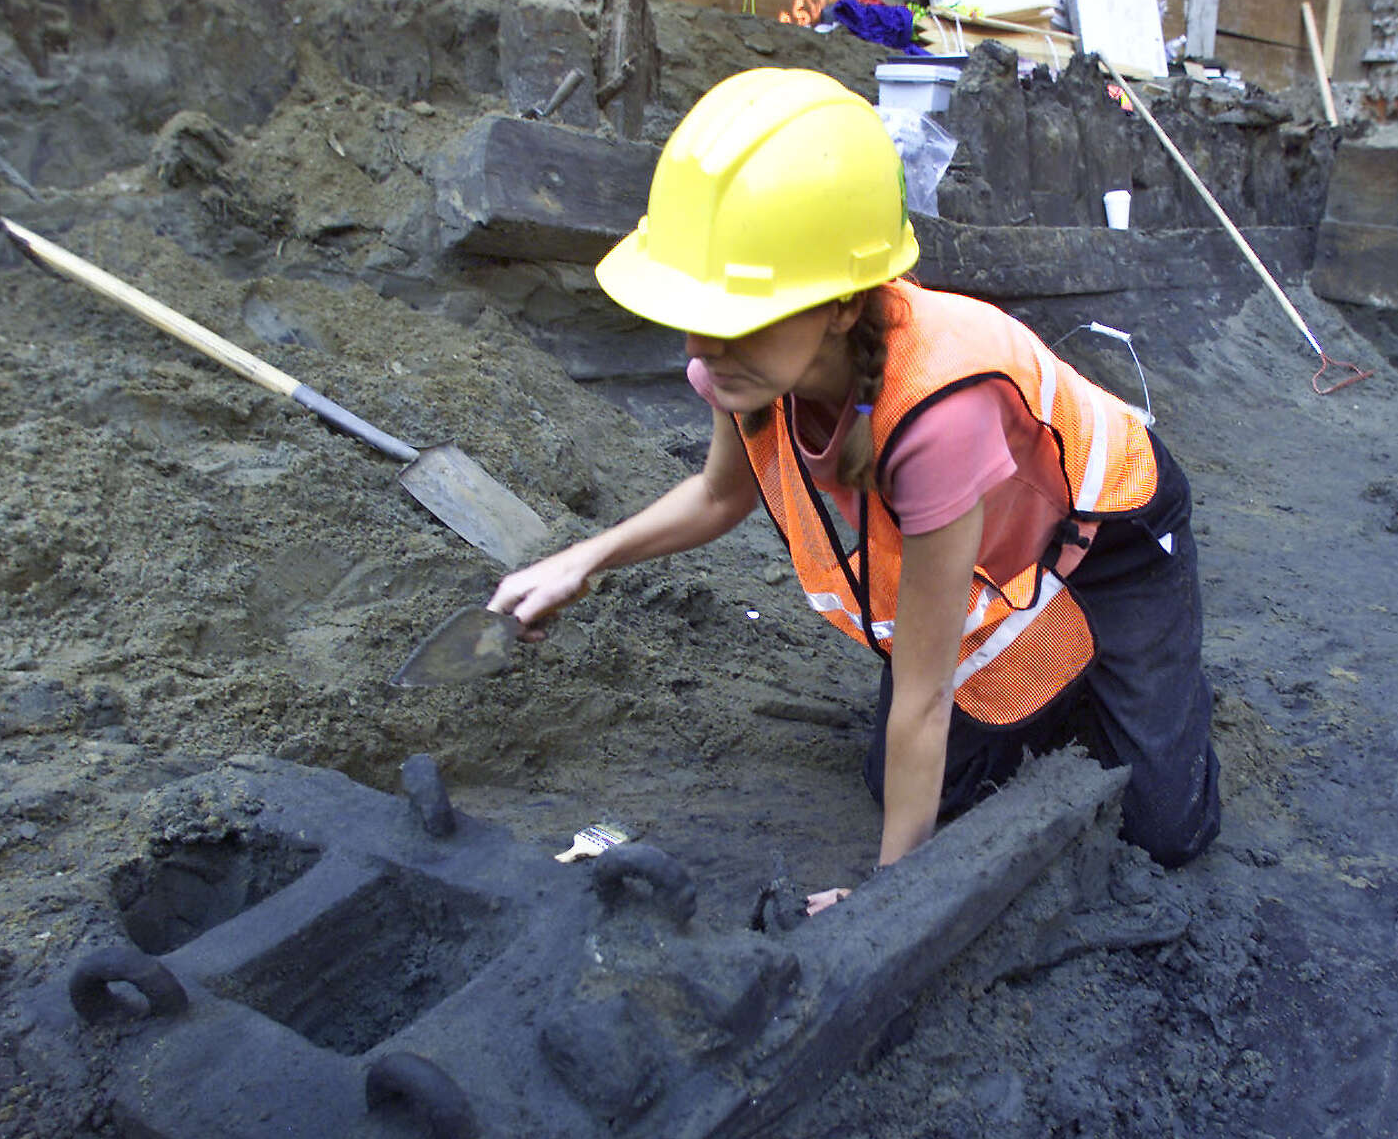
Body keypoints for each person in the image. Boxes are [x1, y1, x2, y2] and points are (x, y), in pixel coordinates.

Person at [489, 68, 1219, 912]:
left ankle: (1140, 666)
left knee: (1166, 832)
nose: (704, 346)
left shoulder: (939, 413)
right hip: (1001, 550)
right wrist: (585, 561)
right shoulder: (747, 366)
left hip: (1112, 540)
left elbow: (925, 695)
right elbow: (721, 496)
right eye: (694, 311)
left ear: (841, 306)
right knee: (903, 787)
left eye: (738, 314)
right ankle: (1063, 673)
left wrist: (884, 903)